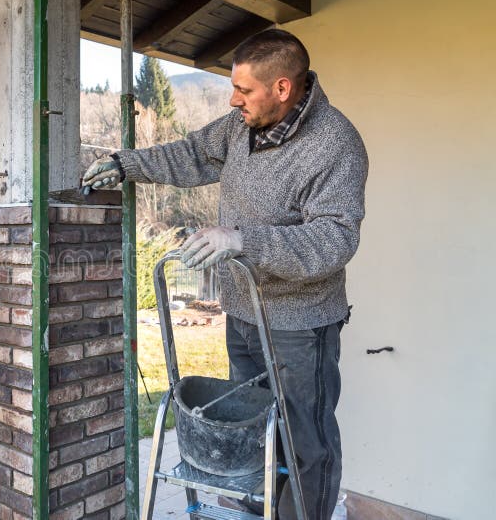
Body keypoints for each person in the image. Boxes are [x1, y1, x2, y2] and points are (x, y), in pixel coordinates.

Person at [81, 29, 367, 520]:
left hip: (299, 324)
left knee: (307, 444)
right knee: (257, 430)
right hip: (243, 310)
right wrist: (125, 164)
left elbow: (334, 241)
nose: (233, 100)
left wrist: (241, 240)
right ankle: (258, 511)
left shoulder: (335, 145)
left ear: (283, 87)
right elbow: (191, 154)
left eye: (244, 90)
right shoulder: (242, 126)